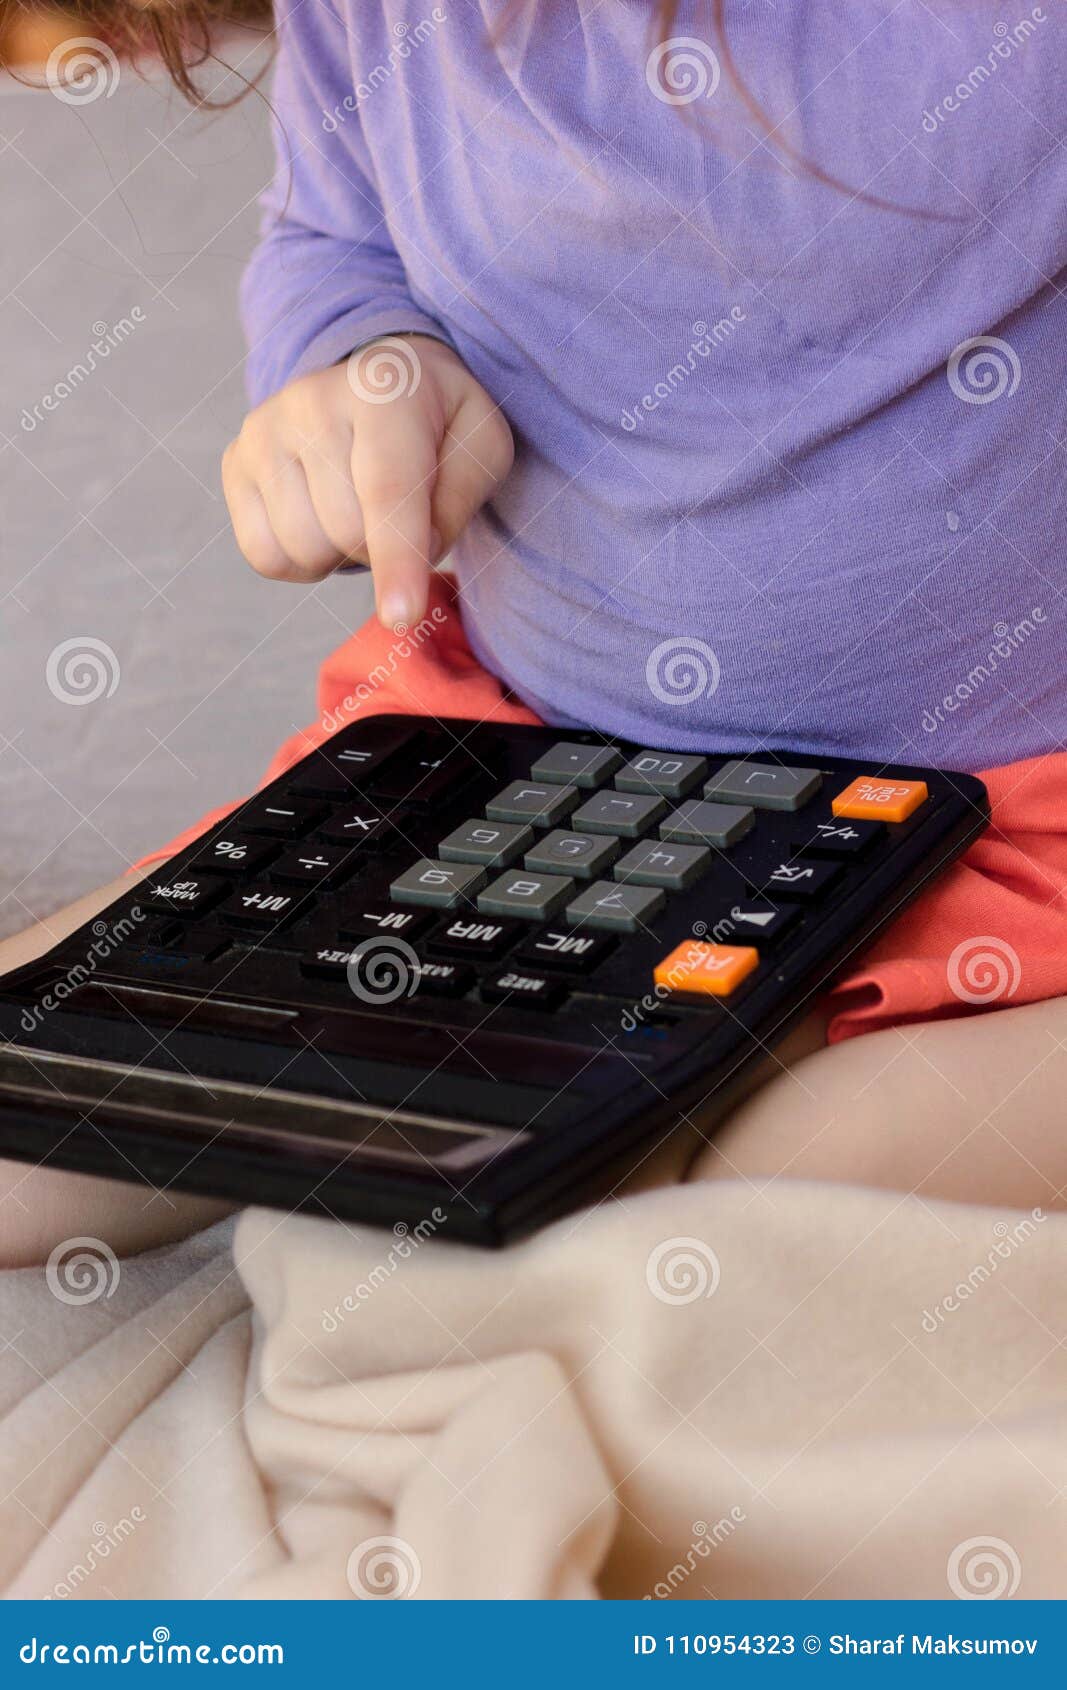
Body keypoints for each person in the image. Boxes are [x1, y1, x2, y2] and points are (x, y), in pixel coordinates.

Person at [2, 0, 1066, 1266]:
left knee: (655, 1197)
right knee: (50, 1106)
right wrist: (362, 365)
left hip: (1003, 817)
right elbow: (333, 234)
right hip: (520, 771)